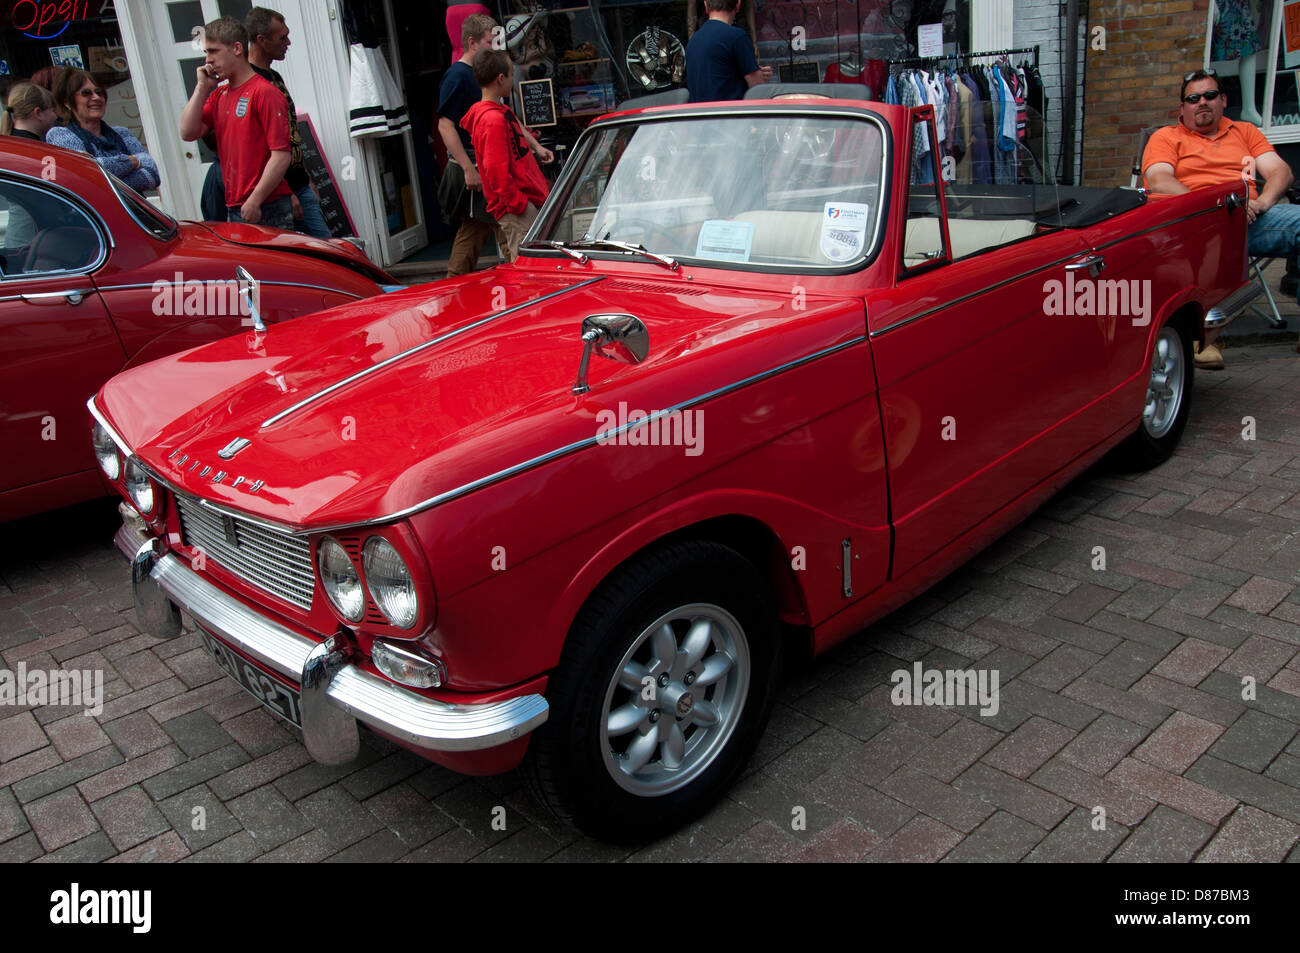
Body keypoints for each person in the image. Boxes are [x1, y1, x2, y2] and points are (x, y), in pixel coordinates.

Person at [1143, 68, 1300, 369]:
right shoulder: (1166, 137)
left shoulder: (1246, 132)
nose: (1202, 102)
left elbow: (1281, 172)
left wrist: (1263, 202)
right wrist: (1214, 208)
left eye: (1209, 95)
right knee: (1200, 244)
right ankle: (1204, 336)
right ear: (1183, 107)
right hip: (1194, 223)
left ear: (1223, 100)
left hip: (1250, 219)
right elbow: (1159, 180)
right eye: (1193, 98)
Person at [180, 16, 293, 229]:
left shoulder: (265, 92)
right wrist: (202, 88)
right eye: (206, 53)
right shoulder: (219, 94)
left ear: (237, 48)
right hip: (236, 203)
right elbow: (188, 132)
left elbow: (281, 156)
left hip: (267, 204)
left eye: (214, 51)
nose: (208, 60)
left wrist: (255, 199)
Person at [246, 6, 331, 239]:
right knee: (322, 253)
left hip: (298, 184)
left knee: (328, 250)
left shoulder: (274, 77)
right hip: (281, 192)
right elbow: (265, 146)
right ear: (262, 40)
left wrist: (306, 178)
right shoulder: (253, 84)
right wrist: (288, 192)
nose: (289, 42)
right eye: (282, 37)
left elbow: (289, 133)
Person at [461, 48, 552, 262]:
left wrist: (536, 148)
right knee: (528, 265)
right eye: (512, 75)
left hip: (522, 200)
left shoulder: (497, 113)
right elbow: (495, 170)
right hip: (517, 207)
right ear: (500, 79)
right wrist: (518, 204)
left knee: (534, 262)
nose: (513, 80)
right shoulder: (492, 120)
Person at [437, 13, 508, 276]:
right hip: (477, 165)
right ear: (472, 43)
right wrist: (468, 168)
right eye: (490, 42)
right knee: (505, 222)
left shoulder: (478, 73)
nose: (495, 48)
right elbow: (445, 125)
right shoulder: (457, 76)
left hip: (486, 163)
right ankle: (527, 280)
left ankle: (453, 284)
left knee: (476, 227)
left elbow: (499, 111)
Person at [46, 69, 160, 192]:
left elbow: (152, 175)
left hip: (132, 211)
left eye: (99, 92)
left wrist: (104, 185)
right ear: (67, 102)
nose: (96, 97)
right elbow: (84, 172)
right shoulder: (60, 135)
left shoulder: (122, 133)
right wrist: (132, 161)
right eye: (86, 93)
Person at [684, 0, 770, 104]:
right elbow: (757, 88)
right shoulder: (737, 37)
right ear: (738, 5)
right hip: (729, 115)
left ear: (706, 5)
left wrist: (749, 70)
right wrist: (760, 77)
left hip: (700, 116)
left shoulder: (693, 41)